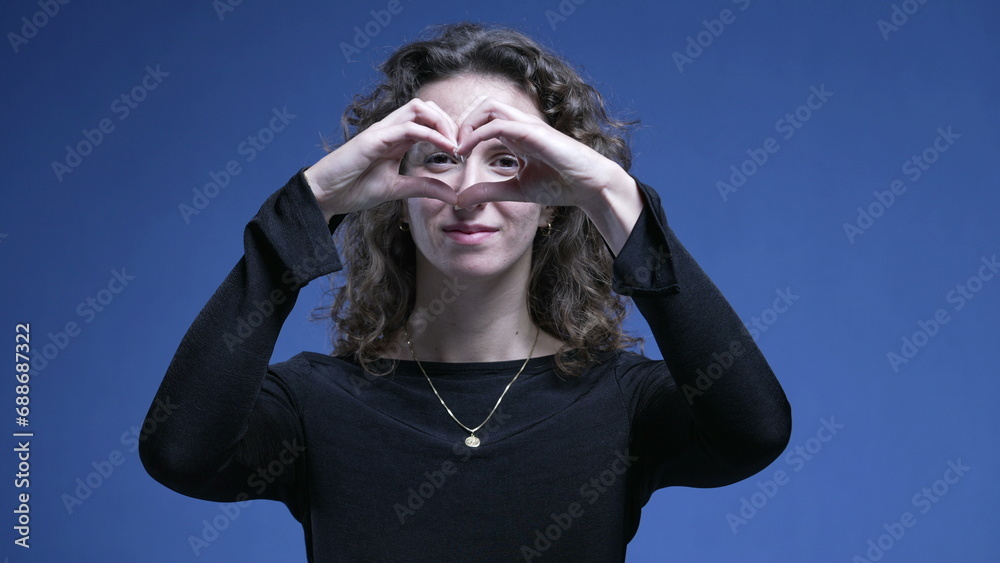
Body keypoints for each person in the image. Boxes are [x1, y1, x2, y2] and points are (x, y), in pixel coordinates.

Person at [139, 22, 791, 562]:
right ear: (394, 195)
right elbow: (181, 453)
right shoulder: (314, 400)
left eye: (506, 157)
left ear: (554, 200)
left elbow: (755, 431)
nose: (468, 189)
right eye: (438, 156)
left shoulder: (621, 399)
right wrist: (308, 205)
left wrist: (613, 197)